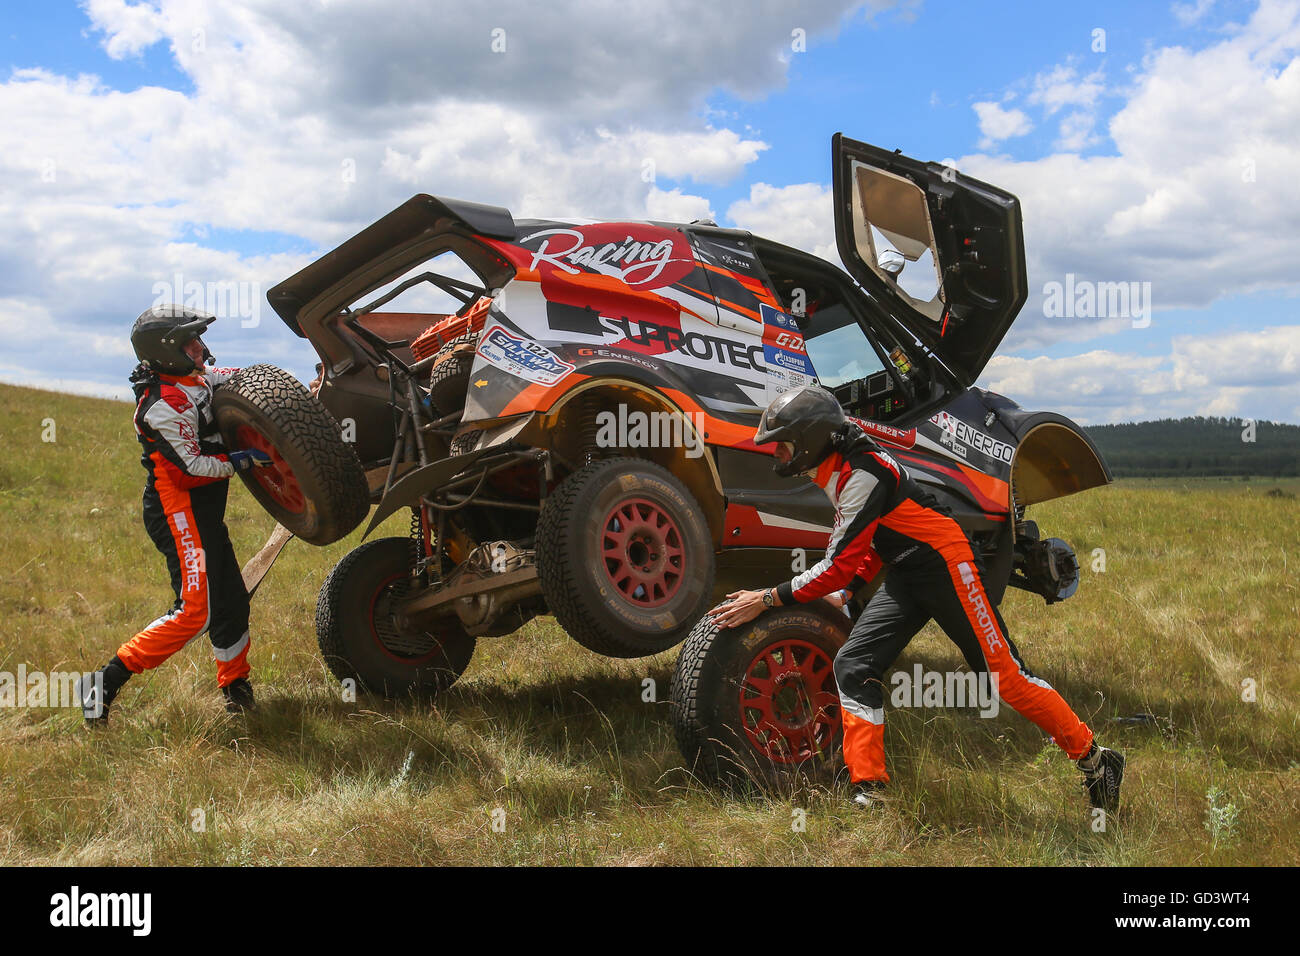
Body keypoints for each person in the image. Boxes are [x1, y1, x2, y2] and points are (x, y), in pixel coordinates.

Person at [708, 386, 1125, 812]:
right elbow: (875, 538)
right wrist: (849, 593)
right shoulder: (837, 465)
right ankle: (871, 789)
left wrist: (767, 598)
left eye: (783, 445)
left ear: (811, 440)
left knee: (1006, 678)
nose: (776, 453)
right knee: (853, 665)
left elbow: (836, 566)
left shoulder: (861, 471)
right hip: (908, 571)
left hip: (948, 565)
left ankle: (1097, 760)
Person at [76, 306, 273, 724]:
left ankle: (236, 688)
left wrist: (298, 391)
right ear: (165, 353)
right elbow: (192, 468)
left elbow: (241, 380)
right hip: (177, 511)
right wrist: (241, 461)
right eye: (190, 342)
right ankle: (105, 682)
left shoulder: (194, 377)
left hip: (204, 515)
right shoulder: (161, 404)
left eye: (197, 338)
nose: (200, 347)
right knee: (193, 612)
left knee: (232, 600)